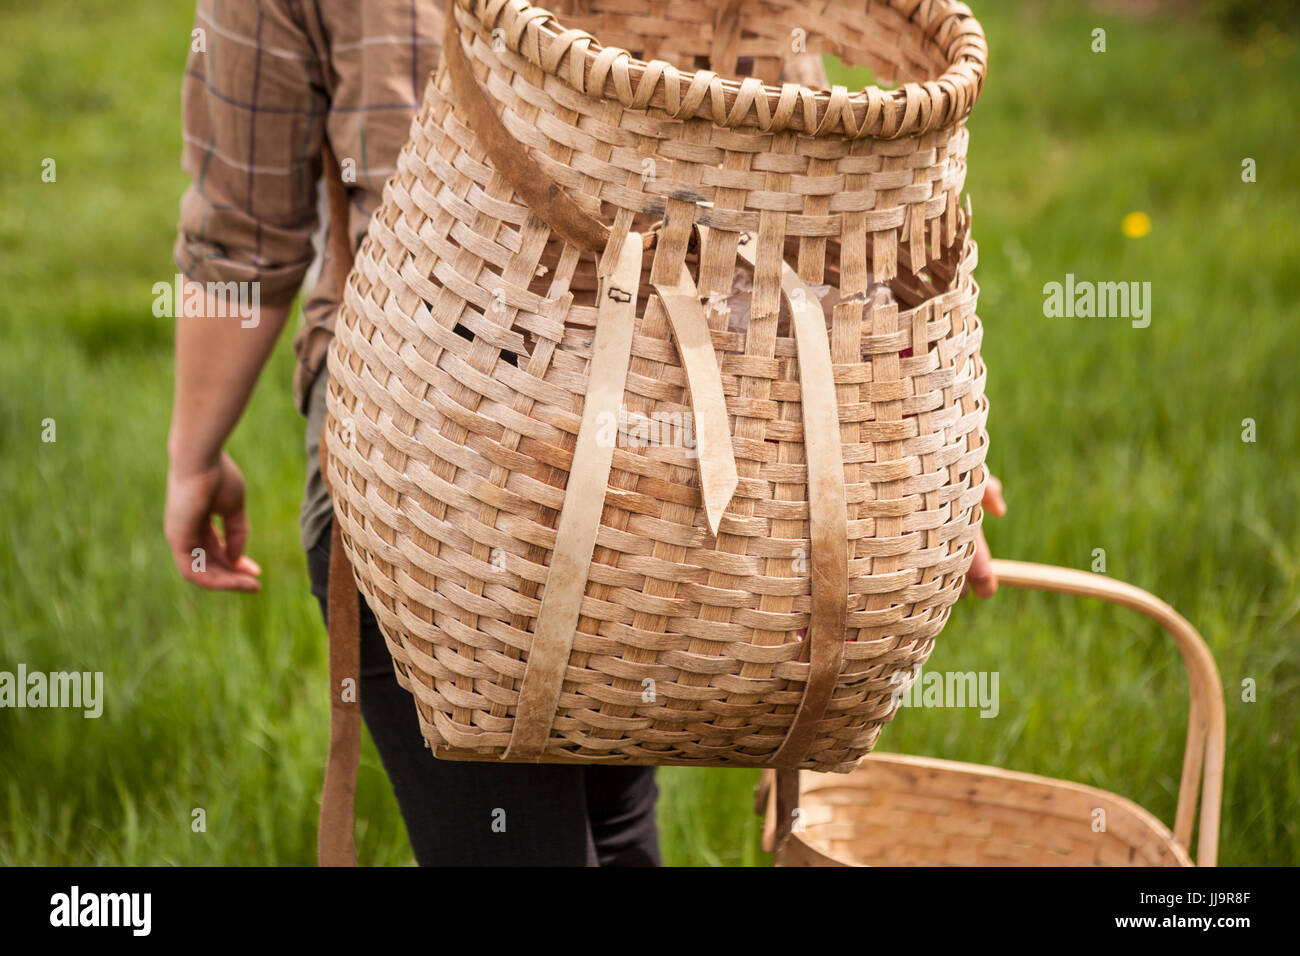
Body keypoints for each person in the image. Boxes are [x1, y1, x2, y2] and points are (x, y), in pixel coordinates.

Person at [162, 0, 1003, 867]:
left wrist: (195, 456)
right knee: (616, 822)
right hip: (672, 444)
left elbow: (244, 238)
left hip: (434, 466)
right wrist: (904, 440)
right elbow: (817, 175)